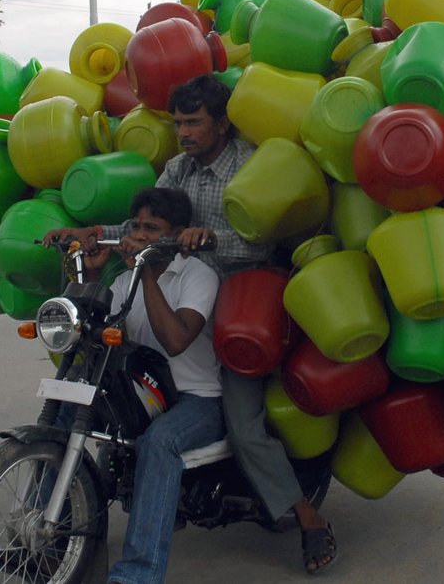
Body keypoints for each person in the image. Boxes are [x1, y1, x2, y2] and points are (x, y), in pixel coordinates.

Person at [45, 74, 337, 574]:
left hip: (241, 306)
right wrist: (93, 233)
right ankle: (54, 533)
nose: (182, 132)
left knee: (242, 425)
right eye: (178, 123)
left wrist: (209, 239)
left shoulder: (251, 164)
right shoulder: (177, 169)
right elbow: (148, 224)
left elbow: (264, 240)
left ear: (222, 123)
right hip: (174, 289)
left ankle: (308, 518)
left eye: (193, 122)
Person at [86, 186, 224, 584]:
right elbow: (96, 336)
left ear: (176, 234)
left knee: (159, 442)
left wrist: (145, 272)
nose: (140, 235)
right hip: (145, 396)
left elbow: (175, 340)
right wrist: (92, 274)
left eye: (152, 228)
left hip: (197, 400)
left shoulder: (199, 276)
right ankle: (50, 543)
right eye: (136, 227)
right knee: (67, 411)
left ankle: (138, 575)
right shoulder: (124, 280)